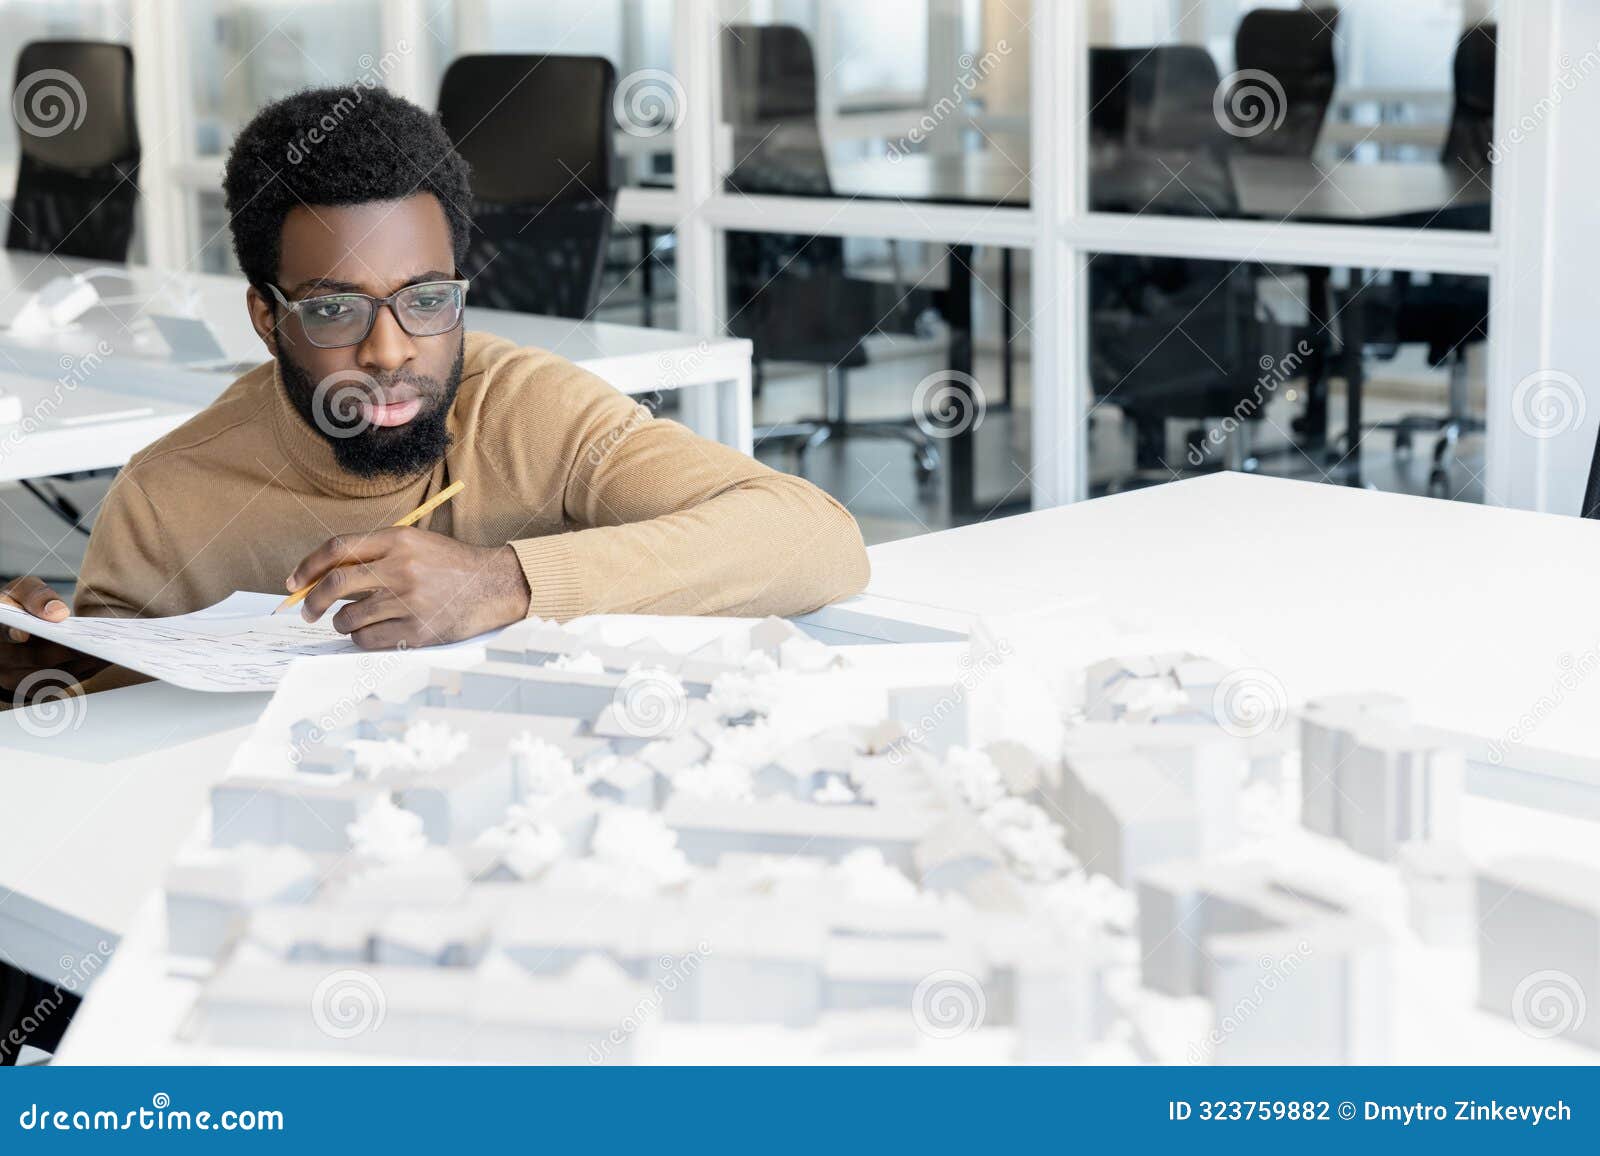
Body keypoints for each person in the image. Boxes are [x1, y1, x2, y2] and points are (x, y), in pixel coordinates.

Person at [0, 84, 870, 701]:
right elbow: (89, 716)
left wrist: (505, 582)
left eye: (427, 301)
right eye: (336, 309)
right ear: (267, 319)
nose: (391, 351)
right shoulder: (166, 496)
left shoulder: (529, 410)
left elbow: (819, 540)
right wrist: (33, 667)